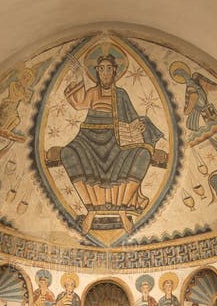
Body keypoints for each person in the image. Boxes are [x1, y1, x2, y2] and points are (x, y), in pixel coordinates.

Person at [61, 53, 164, 234]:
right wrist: (78, 76)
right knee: (68, 153)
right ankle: (91, 210)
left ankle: (122, 210)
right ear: (97, 72)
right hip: (89, 138)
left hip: (117, 140)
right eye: (101, 69)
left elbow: (132, 118)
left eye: (109, 69)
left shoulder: (121, 94)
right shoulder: (93, 92)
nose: (105, 73)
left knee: (143, 154)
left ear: (115, 71)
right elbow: (78, 104)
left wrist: (140, 125)